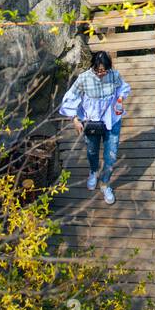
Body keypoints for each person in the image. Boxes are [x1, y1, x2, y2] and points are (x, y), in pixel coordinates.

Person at [58, 51, 131, 205]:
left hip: (112, 120)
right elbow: (70, 97)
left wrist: (119, 99)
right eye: (98, 70)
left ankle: (105, 183)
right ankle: (93, 171)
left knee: (111, 155)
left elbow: (123, 89)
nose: (100, 73)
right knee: (92, 150)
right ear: (93, 67)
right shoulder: (84, 78)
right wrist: (75, 119)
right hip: (91, 122)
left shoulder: (114, 75)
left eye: (103, 70)